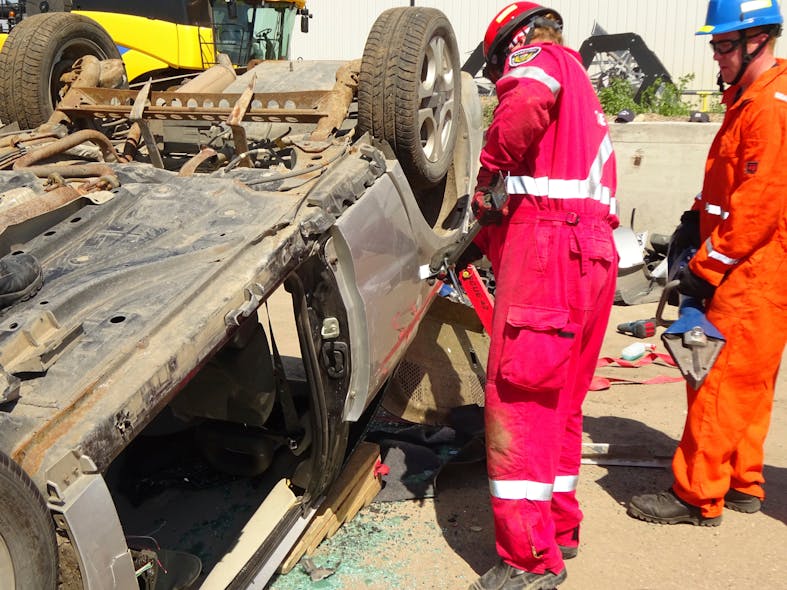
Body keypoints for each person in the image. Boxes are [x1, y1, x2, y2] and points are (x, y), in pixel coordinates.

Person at [464, 4, 619, 589]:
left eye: (500, 60)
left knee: (520, 402)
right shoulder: (583, 87)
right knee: (560, 402)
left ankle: (528, 561)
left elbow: (523, 107)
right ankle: (559, 528)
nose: (503, 73)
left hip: (550, 253)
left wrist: (486, 175)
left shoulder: (539, 58)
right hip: (591, 254)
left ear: (515, 42)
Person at [628, 0, 787, 526]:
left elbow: (759, 205)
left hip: (751, 271)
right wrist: (694, 220)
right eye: (715, 46)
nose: (716, 56)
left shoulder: (769, 107)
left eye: (722, 45)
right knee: (749, 382)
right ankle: (743, 480)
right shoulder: (748, 98)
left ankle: (697, 494)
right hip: (754, 268)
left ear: (757, 41)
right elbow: (729, 184)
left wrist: (707, 265)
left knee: (716, 380)